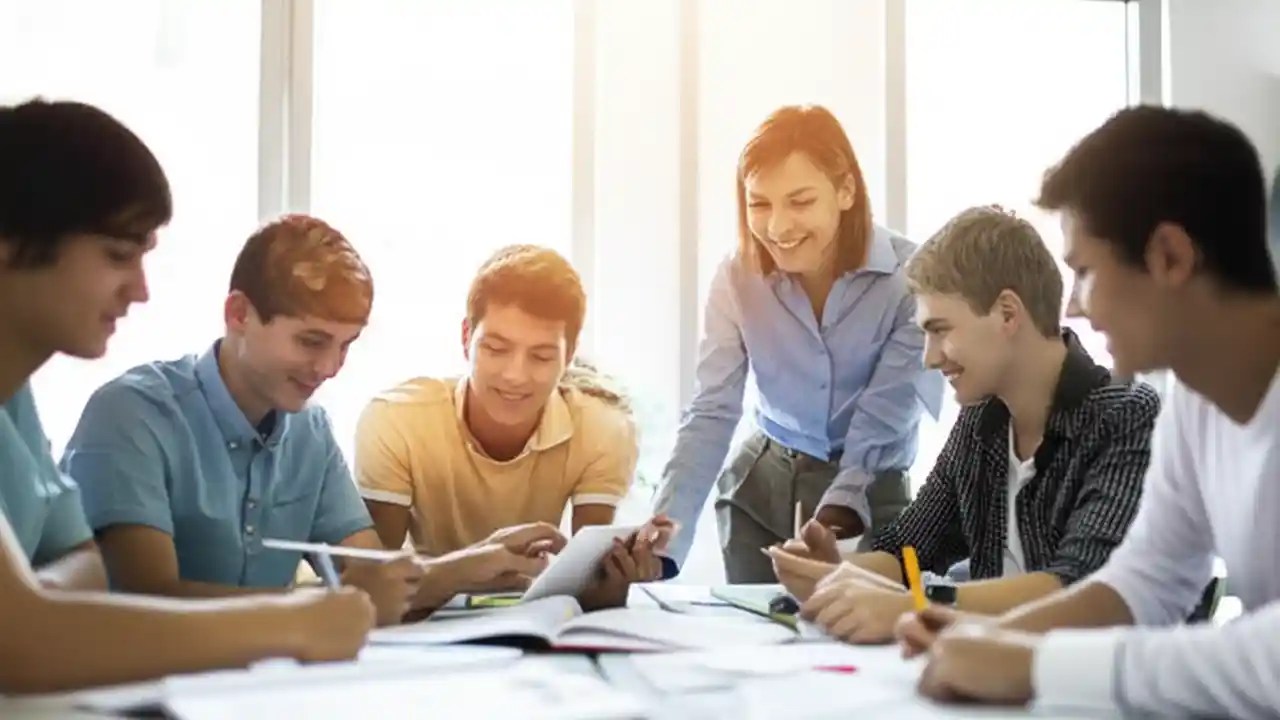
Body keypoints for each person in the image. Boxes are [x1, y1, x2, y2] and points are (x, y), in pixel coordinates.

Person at [893, 106, 1280, 719]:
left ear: (1170, 257)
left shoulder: (1143, 411)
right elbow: (1144, 580)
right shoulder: (1195, 405)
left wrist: (1033, 663)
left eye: (1085, 272)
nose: (1072, 307)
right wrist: (998, 637)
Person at [0, 97, 373, 693]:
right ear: (11, 240)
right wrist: (288, 621)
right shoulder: (132, 408)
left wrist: (43, 608)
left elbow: (86, 570)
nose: (142, 290)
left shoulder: (14, 404)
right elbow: (21, 640)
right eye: (118, 255)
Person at [63, 217, 558, 626]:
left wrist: (476, 562)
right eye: (311, 341)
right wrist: (313, 610)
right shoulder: (132, 414)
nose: (330, 368)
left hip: (269, 685)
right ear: (239, 314)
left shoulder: (310, 430)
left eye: (346, 345)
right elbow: (147, 599)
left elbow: (370, 575)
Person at [766, 205, 1159, 643]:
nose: (930, 358)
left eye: (940, 330)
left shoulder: (1126, 417)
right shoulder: (981, 423)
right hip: (993, 685)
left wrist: (916, 606)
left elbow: (1080, 587)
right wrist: (836, 575)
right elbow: (908, 550)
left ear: (1008, 314)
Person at [653, 104, 943, 582]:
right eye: (759, 204)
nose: (778, 227)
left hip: (869, 489)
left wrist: (837, 514)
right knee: (757, 643)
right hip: (759, 485)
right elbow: (712, 410)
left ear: (846, 190)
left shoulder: (910, 279)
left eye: (801, 201)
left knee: (863, 640)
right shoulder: (735, 276)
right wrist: (662, 535)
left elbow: (883, 419)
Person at [356, 244, 670, 610]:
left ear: (568, 356)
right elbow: (373, 584)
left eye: (541, 356)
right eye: (495, 348)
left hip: (530, 615)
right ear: (465, 338)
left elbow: (592, 589)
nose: (515, 376)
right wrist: (467, 568)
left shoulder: (602, 427)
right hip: (424, 612)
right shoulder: (398, 418)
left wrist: (616, 579)